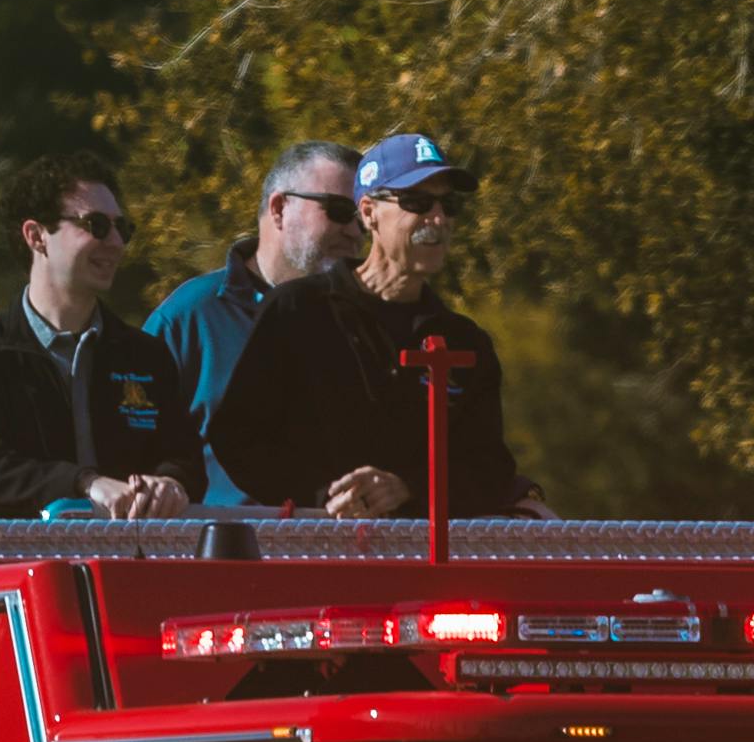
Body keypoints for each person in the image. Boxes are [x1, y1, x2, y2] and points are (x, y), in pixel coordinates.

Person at [204, 131, 549, 520]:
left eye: (448, 204)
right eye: (416, 202)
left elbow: (488, 469)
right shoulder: (298, 311)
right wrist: (325, 495)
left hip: (420, 564)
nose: (437, 218)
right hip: (313, 552)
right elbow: (238, 438)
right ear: (368, 213)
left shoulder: (464, 342)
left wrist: (406, 488)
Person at [0, 159, 205, 519]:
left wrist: (171, 483)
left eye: (123, 228)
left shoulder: (145, 356)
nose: (117, 242)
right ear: (36, 236)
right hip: (26, 568)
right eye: (97, 225)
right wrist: (84, 484)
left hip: (130, 568)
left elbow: (184, 457)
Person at [143, 139, 362, 502]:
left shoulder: (365, 322)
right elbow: (135, 447)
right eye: (339, 211)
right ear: (279, 209)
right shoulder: (189, 317)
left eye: (362, 217)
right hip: (219, 552)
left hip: (336, 552)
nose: (355, 232)